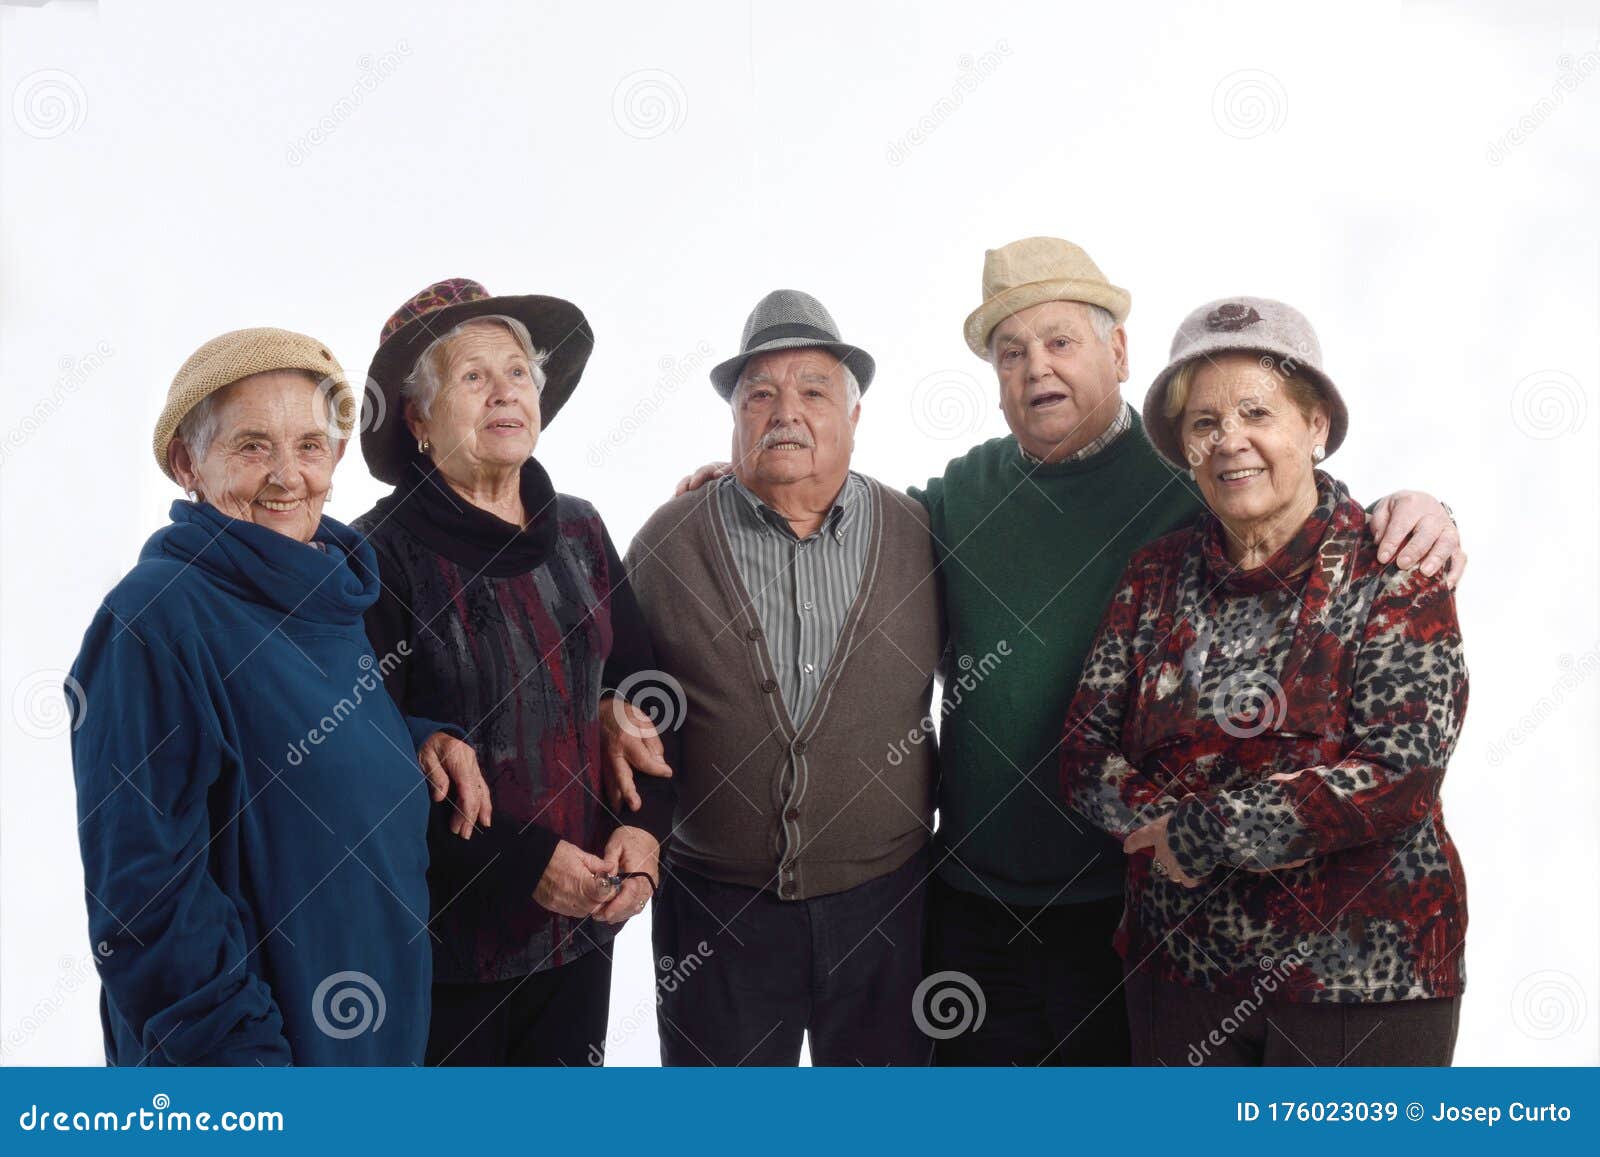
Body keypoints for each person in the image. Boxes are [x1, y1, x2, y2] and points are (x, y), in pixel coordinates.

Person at [663, 237, 1467, 1065]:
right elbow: (839, 525)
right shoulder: (961, 495)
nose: (1035, 369)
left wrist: (1421, 506)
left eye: (1059, 342)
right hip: (968, 900)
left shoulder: (1189, 480)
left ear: (1118, 351)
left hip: (1128, 911)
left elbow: (1292, 497)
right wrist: (748, 481)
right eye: (1010, 353)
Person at [1060, 296, 1468, 1065]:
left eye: (1257, 411)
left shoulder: (1396, 567)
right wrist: (1167, 828)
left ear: (1314, 427)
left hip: (1364, 986)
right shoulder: (1153, 575)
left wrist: (1207, 832)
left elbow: (1399, 770)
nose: (1230, 441)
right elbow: (1084, 752)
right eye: (1204, 423)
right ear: (1184, 445)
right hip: (1181, 978)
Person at [68, 328, 486, 1065]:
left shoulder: (325, 589)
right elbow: (146, 902)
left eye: (310, 445)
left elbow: (291, 751)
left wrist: (413, 737)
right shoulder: (156, 619)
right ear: (186, 463)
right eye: (252, 445)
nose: (287, 475)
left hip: (380, 1049)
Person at [352, 278, 673, 1066]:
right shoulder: (373, 555)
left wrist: (645, 827)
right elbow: (365, 769)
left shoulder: (581, 530)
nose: (506, 391)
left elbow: (647, 693)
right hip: (442, 954)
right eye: (473, 376)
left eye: (519, 372)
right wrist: (525, 864)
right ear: (419, 418)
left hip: (582, 937)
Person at [623, 289, 942, 1065]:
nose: (784, 412)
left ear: (855, 417)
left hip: (888, 905)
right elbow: (614, 682)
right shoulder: (670, 539)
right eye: (758, 393)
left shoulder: (922, 531)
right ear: (734, 420)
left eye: (813, 391)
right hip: (714, 913)